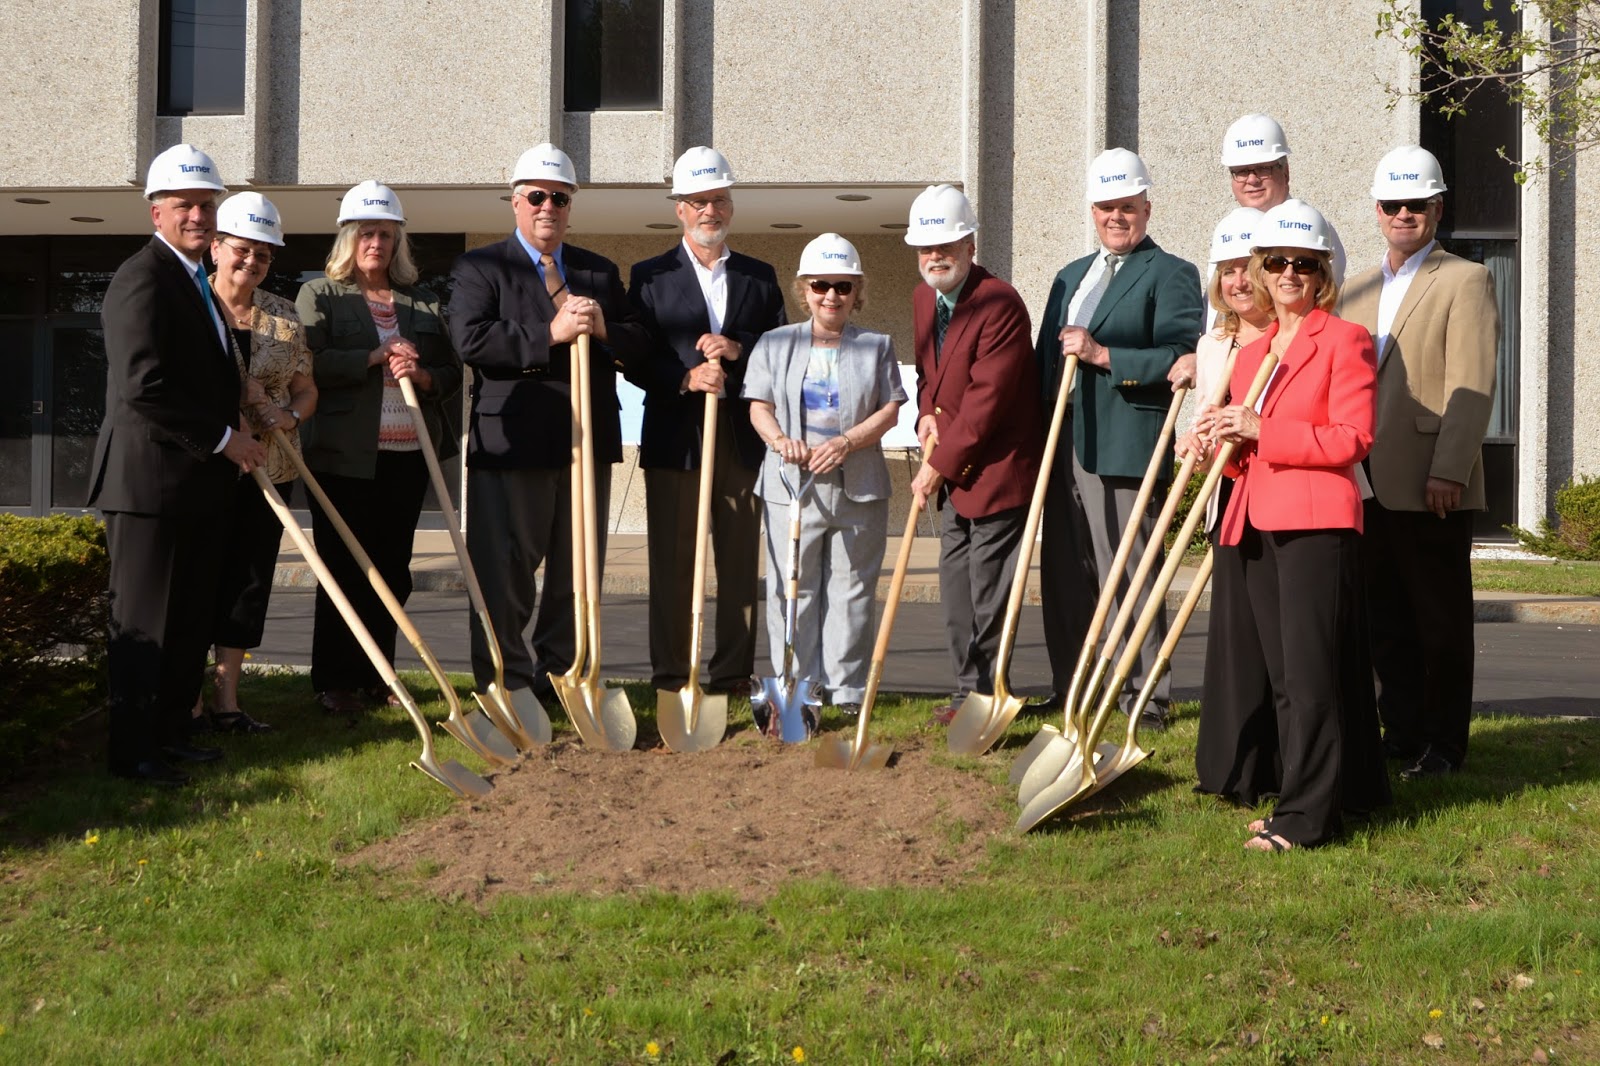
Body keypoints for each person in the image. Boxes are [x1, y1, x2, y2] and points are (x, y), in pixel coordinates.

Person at [1200, 199, 1389, 852]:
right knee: (1284, 680)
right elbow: (1249, 456)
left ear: (1321, 274)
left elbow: (1352, 438)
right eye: (1276, 261)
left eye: (1302, 264)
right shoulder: (1251, 356)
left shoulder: (1344, 340)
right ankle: (1307, 801)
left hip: (1316, 524)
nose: (1287, 274)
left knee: (1312, 679)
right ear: (1259, 267)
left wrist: (1260, 429)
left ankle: (1305, 821)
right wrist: (1220, 443)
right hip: (1257, 524)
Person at [89, 144, 268, 786]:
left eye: (206, 204)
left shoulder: (195, 280)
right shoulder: (142, 278)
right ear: (156, 211)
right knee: (144, 628)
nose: (198, 214)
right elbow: (144, 385)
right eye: (186, 204)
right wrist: (226, 439)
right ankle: (133, 753)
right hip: (149, 484)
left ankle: (169, 734)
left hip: (194, 485)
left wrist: (237, 420)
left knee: (188, 620)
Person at [448, 143, 648, 713]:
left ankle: (559, 678)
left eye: (559, 198)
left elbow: (640, 342)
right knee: (506, 570)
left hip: (586, 441)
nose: (548, 207)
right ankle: (504, 683)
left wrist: (604, 325)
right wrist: (550, 334)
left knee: (576, 570)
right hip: (512, 443)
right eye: (536, 196)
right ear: (515, 202)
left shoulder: (597, 272)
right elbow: (471, 340)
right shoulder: (481, 267)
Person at [1341, 145, 1499, 778]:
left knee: (1439, 620)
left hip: (1430, 478)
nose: (1403, 214)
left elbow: (1472, 383)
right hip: (1366, 480)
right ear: (1377, 211)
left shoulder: (1466, 278)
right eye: (1392, 204)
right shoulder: (1354, 288)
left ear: (1437, 208)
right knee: (1385, 621)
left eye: (1416, 204)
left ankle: (1444, 744)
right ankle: (1400, 731)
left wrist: (1451, 469)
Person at [1034, 148, 1203, 731]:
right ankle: (1075, 686)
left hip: (1125, 445)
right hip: (1066, 445)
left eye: (1127, 206)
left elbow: (1184, 355)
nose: (1116, 217)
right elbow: (1044, 368)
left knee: (1128, 570)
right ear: (1092, 209)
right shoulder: (1070, 276)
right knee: (1067, 572)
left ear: (1147, 208)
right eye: (1106, 207)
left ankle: (1145, 697)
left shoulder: (1171, 273)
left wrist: (1105, 355)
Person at [296, 181, 462, 715]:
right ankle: (335, 680)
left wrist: (424, 374)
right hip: (344, 460)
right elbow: (309, 367)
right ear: (349, 237)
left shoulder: (424, 302)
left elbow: (451, 373)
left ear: (398, 242)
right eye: (367, 233)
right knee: (344, 569)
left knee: (393, 570)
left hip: (408, 458)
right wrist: (371, 357)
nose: (377, 243)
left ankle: (379, 675)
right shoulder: (319, 294)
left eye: (386, 234)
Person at [628, 147, 786, 700]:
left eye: (718, 199)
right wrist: (684, 378)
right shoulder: (648, 278)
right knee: (672, 563)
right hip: (676, 439)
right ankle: (673, 676)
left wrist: (738, 349)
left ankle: (732, 674)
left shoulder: (760, 279)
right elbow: (635, 354)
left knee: (740, 562)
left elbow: (781, 353)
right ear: (679, 209)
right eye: (698, 201)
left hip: (742, 442)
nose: (709, 210)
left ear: (730, 205)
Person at [742, 234, 906, 713]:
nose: (830, 295)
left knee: (852, 589)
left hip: (858, 486)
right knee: (792, 588)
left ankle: (846, 691)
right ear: (804, 289)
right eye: (820, 285)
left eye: (842, 285)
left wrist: (847, 442)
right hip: (791, 486)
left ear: (857, 291)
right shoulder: (776, 343)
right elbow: (759, 405)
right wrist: (779, 441)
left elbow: (891, 408)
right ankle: (796, 687)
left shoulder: (876, 346)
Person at [902, 184, 1043, 724]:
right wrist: (925, 415)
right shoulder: (923, 299)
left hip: (998, 469)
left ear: (970, 244)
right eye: (926, 248)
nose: (935, 256)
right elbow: (928, 377)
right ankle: (966, 693)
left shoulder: (999, 303)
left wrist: (935, 468)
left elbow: (987, 400)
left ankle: (989, 695)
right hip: (955, 469)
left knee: (989, 591)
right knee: (955, 587)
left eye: (947, 245)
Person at [196, 192, 317, 734]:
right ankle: (186, 699)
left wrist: (289, 416)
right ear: (216, 247)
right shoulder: (191, 303)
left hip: (270, 470)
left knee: (247, 579)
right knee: (199, 574)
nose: (251, 261)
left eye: (264, 254)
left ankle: (226, 699)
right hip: (204, 463)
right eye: (242, 249)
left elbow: (306, 389)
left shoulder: (284, 315)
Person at [1176, 207, 1283, 805]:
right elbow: (1203, 418)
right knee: (1235, 639)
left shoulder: (1287, 334)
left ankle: (1281, 764)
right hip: (1229, 500)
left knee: (1278, 639)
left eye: (1247, 269)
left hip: (1276, 496)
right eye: (1227, 270)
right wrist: (1191, 438)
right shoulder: (1214, 342)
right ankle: (1233, 767)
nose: (1238, 281)